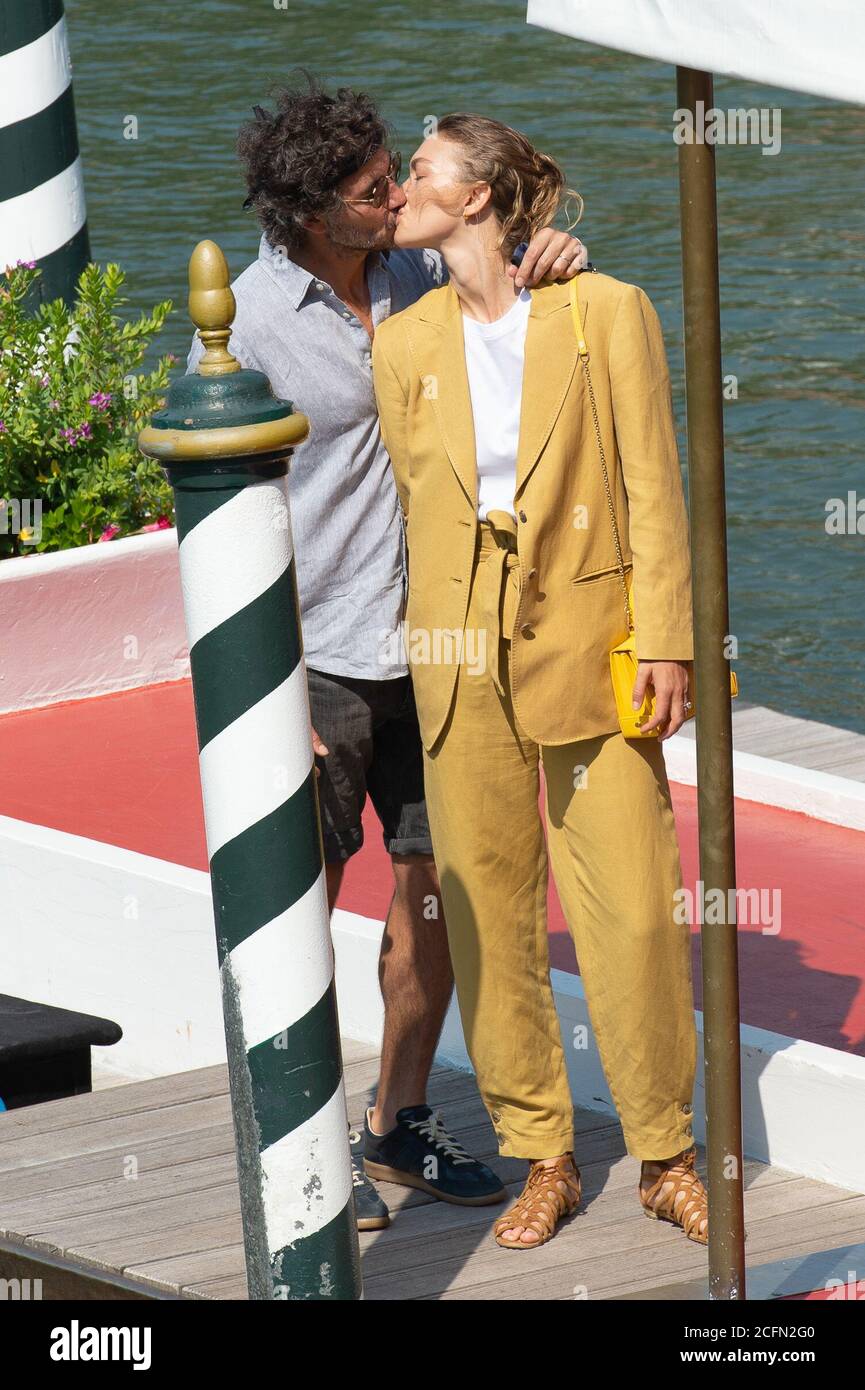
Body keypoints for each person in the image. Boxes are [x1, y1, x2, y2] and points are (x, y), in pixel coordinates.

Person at [185, 77, 589, 1230]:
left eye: (398, 173)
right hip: (316, 661)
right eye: (376, 187)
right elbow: (222, 514)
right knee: (296, 909)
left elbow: (513, 317)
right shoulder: (254, 325)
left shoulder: (419, 264)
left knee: (431, 896)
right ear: (317, 211)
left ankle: (396, 1119)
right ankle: (299, 1133)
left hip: (440, 649)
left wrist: (552, 254)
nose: (400, 191)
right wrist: (265, 683)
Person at [372, 113, 709, 1250]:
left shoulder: (602, 311)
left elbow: (654, 490)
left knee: (633, 906)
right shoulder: (404, 339)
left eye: (419, 172)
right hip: (455, 661)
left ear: (476, 197)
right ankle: (543, 1157)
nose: (402, 186)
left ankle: (666, 1151)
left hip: (592, 642)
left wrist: (665, 638)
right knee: (484, 917)